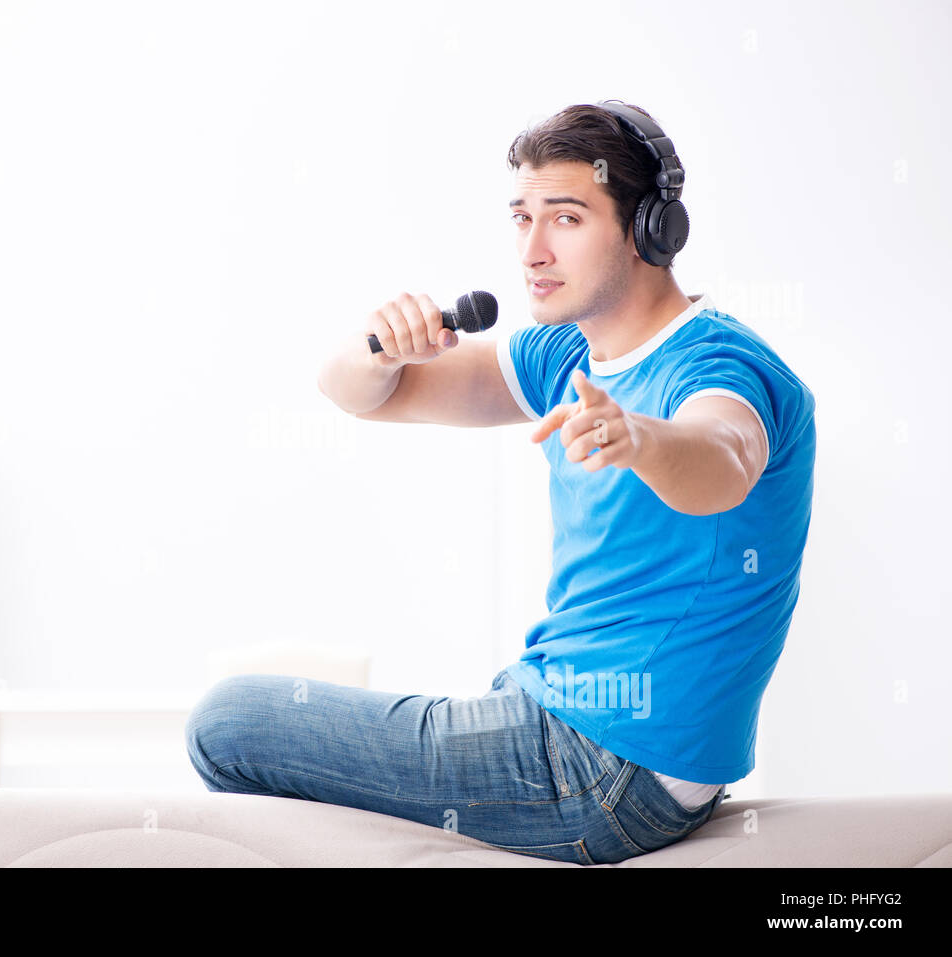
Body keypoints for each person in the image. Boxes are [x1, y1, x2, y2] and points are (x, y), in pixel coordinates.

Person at [184, 102, 816, 865]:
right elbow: (354, 392)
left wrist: (640, 436)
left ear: (654, 229)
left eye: (567, 218)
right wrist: (380, 347)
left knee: (228, 721)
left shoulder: (717, 364)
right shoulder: (563, 354)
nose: (534, 250)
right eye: (522, 217)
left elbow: (725, 455)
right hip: (564, 725)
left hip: (608, 768)